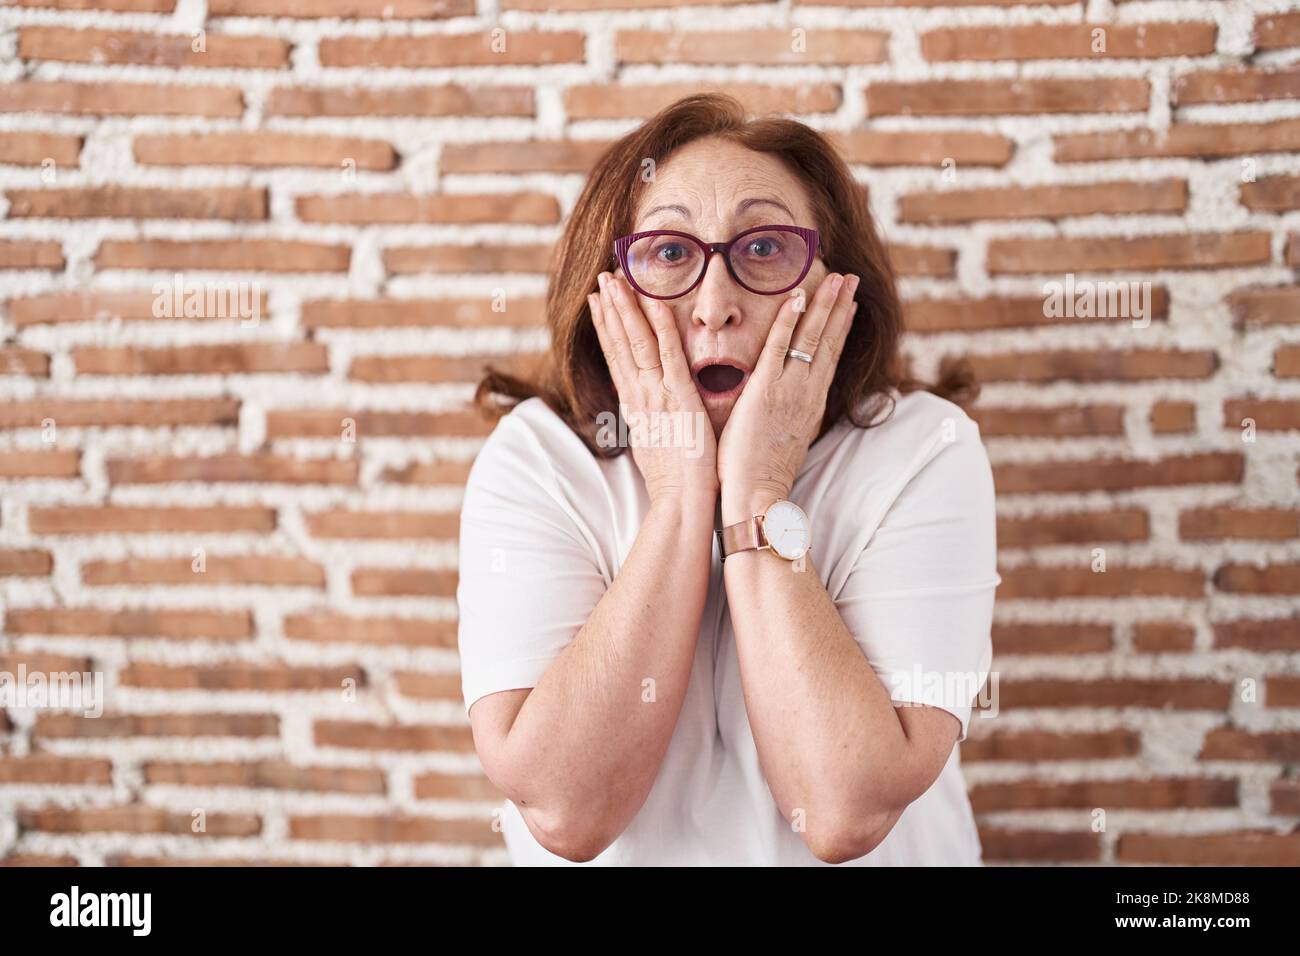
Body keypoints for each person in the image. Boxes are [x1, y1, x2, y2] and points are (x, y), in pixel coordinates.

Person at [456, 93, 1000, 866]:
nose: (715, 307)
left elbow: (843, 809)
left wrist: (757, 496)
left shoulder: (924, 448)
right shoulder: (537, 461)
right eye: (671, 253)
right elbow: (566, 812)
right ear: (610, 285)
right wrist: (681, 504)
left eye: (766, 247)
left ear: (832, 285)